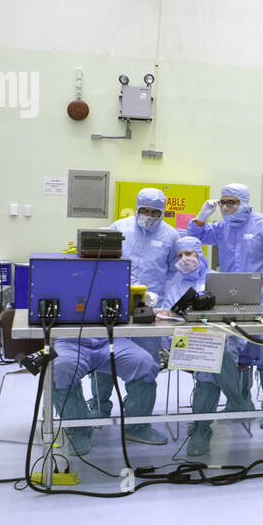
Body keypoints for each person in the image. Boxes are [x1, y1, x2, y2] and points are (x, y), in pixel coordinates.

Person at [184, 183, 263, 458]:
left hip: (261, 299)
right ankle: (237, 403)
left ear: (244, 202)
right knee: (223, 355)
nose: (226, 208)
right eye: (223, 203)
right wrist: (202, 215)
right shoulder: (223, 226)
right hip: (227, 302)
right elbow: (195, 235)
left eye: (231, 203)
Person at [83, 187, 182, 448]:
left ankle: (137, 424)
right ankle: (99, 410)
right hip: (113, 307)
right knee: (104, 357)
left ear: (162, 212)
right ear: (136, 207)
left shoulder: (171, 236)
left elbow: (174, 274)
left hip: (149, 311)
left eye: (155, 212)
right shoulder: (119, 228)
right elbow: (101, 263)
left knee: (146, 364)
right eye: (144, 211)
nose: (149, 216)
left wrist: (165, 305)